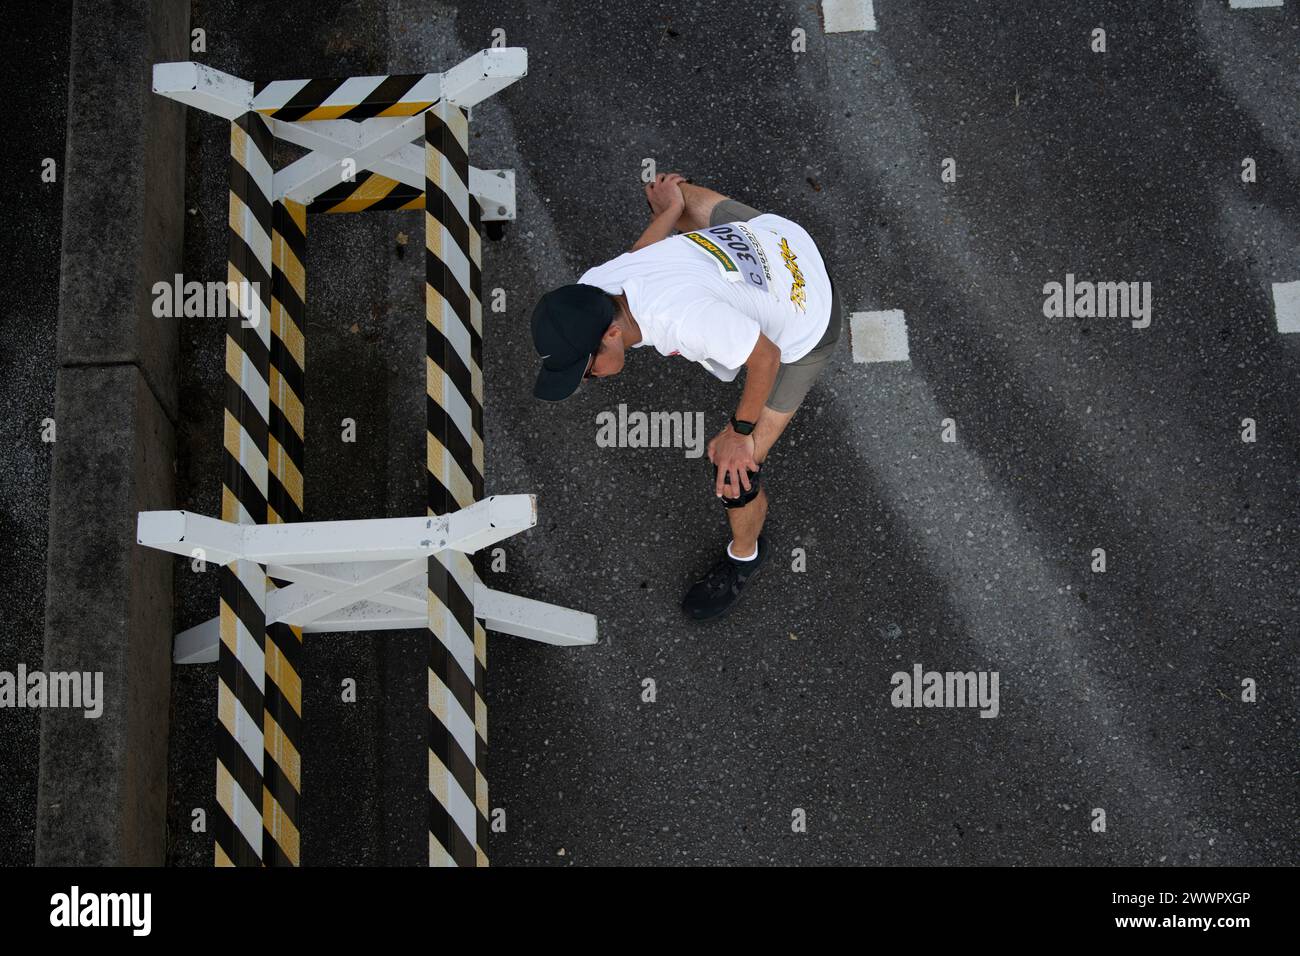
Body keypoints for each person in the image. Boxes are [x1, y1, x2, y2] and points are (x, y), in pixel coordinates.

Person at [529, 173, 842, 621]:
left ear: (613, 335)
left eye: (588, 369)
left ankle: (746, 555)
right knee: (678, 195)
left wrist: (739, 431)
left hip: (807, 314)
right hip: (779, 241)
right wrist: (672, 212)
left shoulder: (684, 321)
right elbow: (638, 257)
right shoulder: (595, 287)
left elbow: (766, 359)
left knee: (736, 468)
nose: (589, 378)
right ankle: (681, 208)